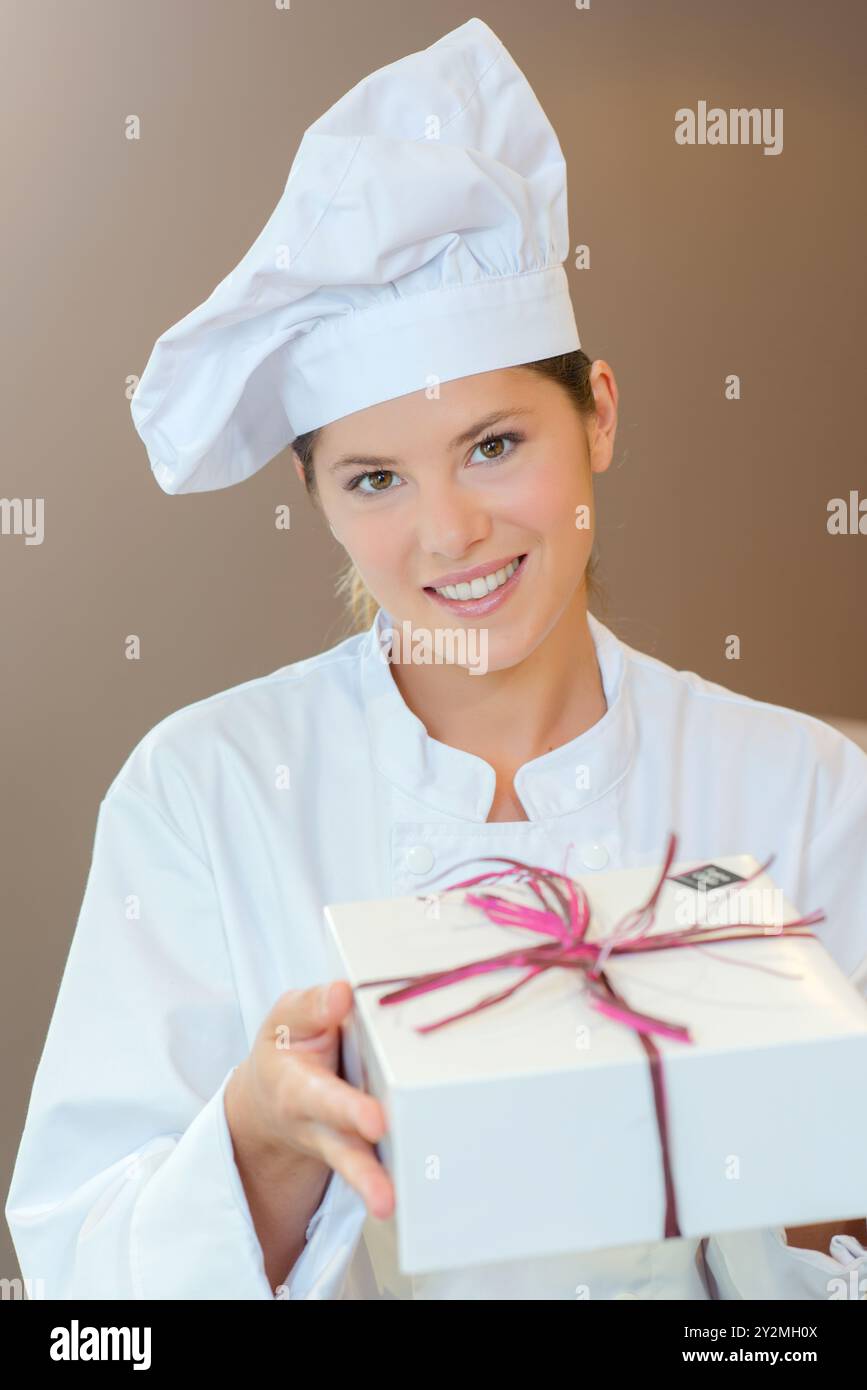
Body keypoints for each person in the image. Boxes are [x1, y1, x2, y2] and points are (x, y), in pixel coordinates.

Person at [6, 17, 866, 1301]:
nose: (449, 531)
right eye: (374, 478)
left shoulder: (801, 787)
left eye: (495, 445)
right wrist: (262, 1134)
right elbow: (84, 1316)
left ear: (600, 417)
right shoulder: (202, 790)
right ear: (320, 498)